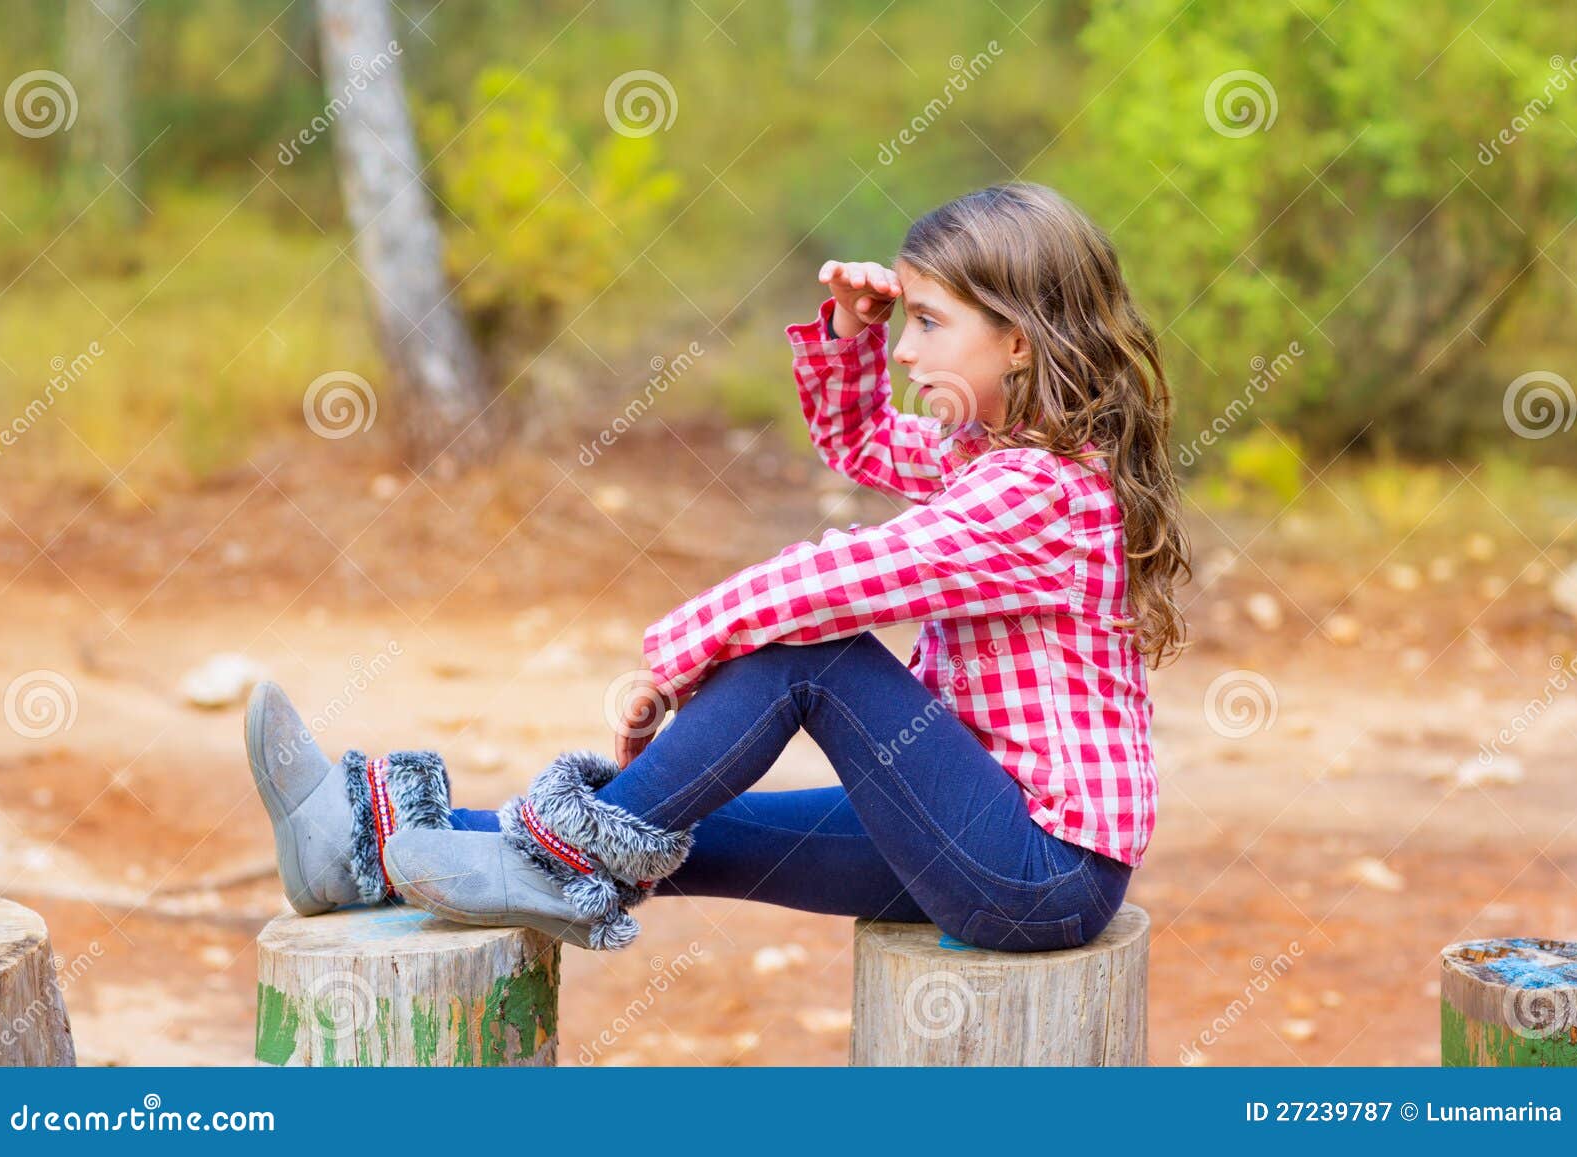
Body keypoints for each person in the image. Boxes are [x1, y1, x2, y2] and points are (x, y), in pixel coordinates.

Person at [245, 182, 1191, 953]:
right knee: (681, 832)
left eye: (930, 324)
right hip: (972, 824)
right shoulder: (990, 455)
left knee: (813, 655)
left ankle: (549, 859)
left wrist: (679, 657)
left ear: (1018, 340)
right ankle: (359, 847)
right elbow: (861, 444)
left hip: (1039, 870)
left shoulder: (1039, 492)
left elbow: (842, 581)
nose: (906, 347)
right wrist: (851, 333)